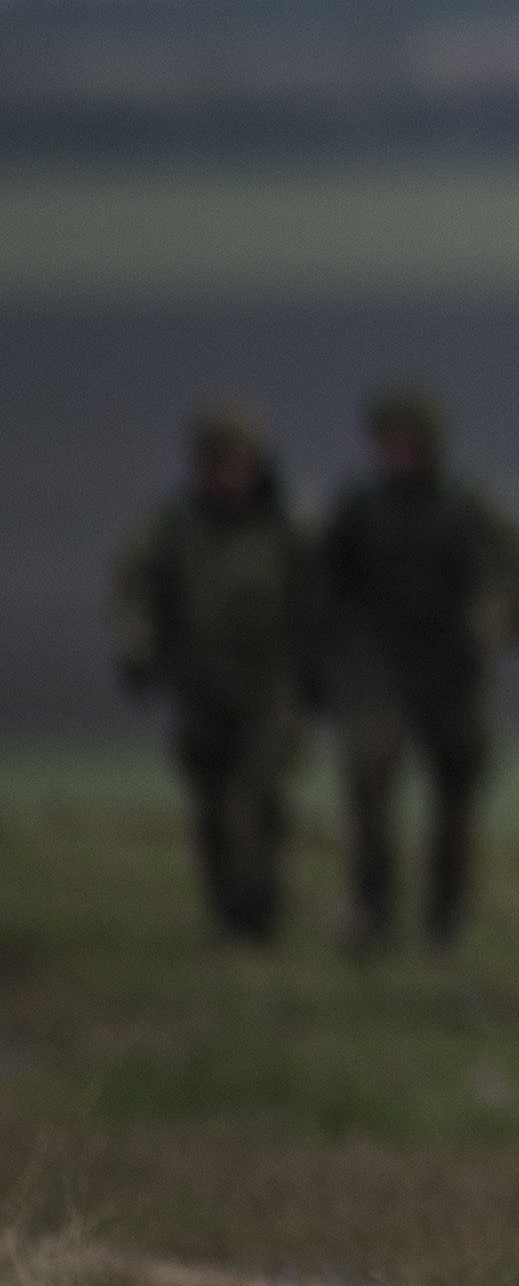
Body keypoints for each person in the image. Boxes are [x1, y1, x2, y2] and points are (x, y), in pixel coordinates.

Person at [315, 383, 519, 950]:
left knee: (455, 803)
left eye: (409, 444)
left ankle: (446, 917)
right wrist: (323, 658)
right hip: (378, 673)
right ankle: (374, 915)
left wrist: (494, 621)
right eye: (389, 445)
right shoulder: (358, 511)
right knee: (369, 796)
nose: (398, 457)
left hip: (452, 674)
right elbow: (321, 590)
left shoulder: (470, 507)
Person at [109, 402, 324, 944]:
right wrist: (138, 651)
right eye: (214, 463)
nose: (226, 475)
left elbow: (325, 599)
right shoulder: (174, 527)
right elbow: (135, 588)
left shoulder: (292, 523)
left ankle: (259, 914)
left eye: (235, 462)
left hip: (270, 685)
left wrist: (322, 669)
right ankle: (227, 915)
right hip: (200, 687)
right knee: (210, 804)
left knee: (255, 801)